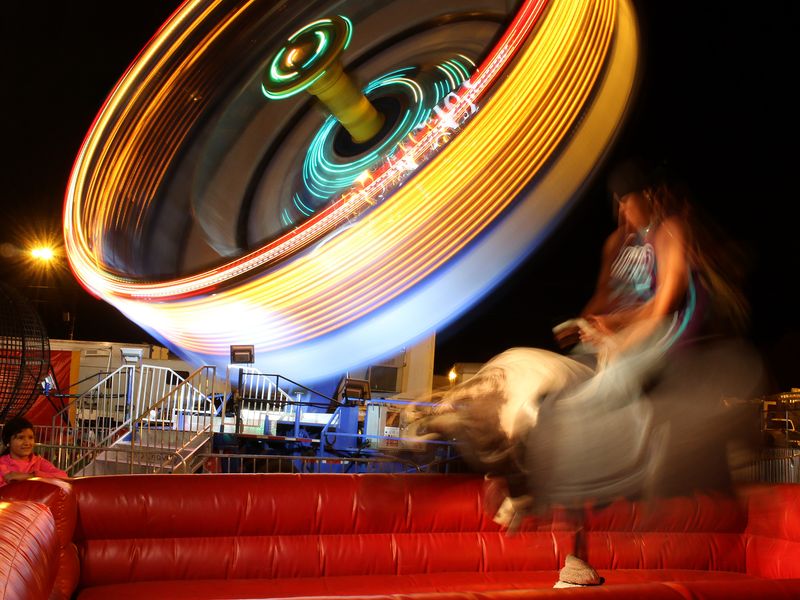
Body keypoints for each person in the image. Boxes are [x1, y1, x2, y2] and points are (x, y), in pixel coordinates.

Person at [0, 416, 68, 487]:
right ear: (8, 442)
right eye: (20, 438)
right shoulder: (2, 465)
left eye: (30, 438)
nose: (27, 443)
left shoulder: (39, 462)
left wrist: (32, 475)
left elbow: (63, 476)